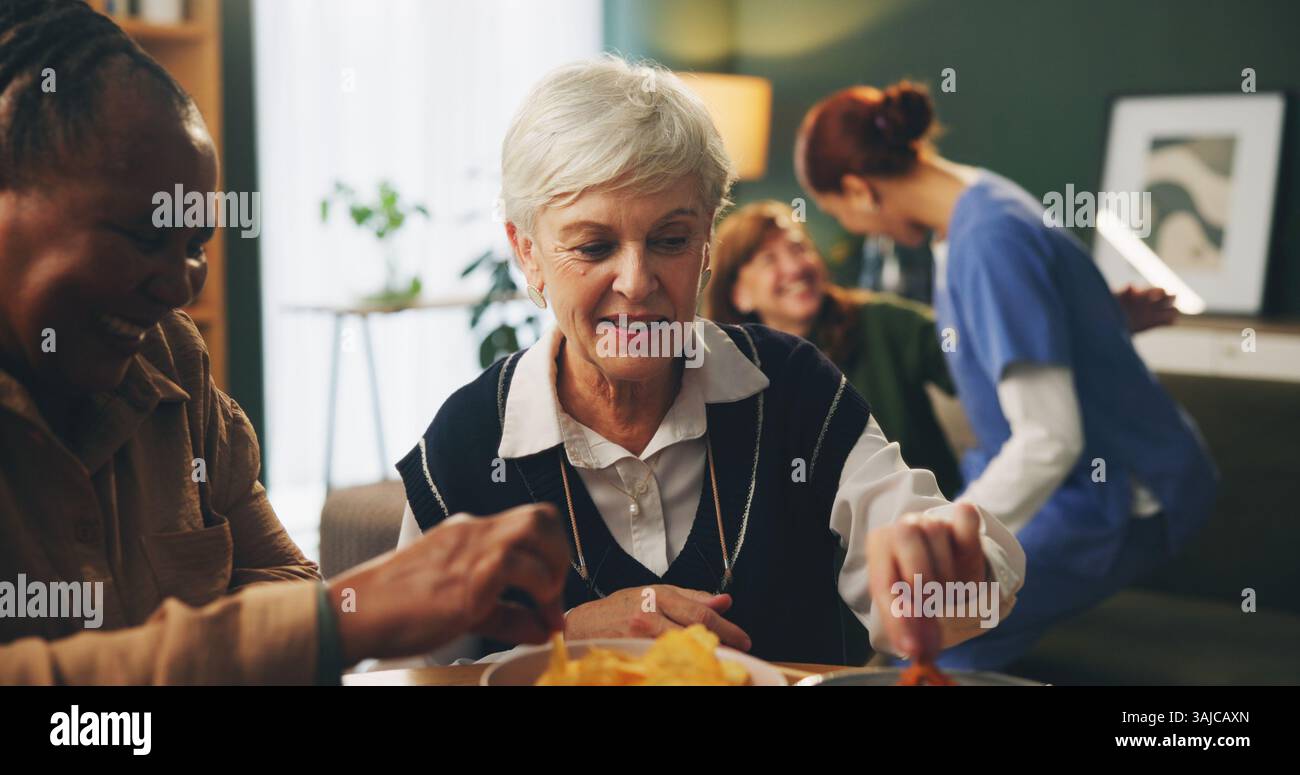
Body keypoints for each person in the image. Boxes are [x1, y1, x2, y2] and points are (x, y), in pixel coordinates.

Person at [0, 0, 570, 685]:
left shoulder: (171, 361)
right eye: (145, 238)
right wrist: (341, 618)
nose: (180, 287)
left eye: (196, 246)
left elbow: (280, 576)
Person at [396, 56, 1026, 667]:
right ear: (526, 251)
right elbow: (408, 672)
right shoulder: (466, 444)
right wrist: (558, 641)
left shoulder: (793, 388)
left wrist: (949, 569)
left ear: (706, 246)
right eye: (594, 246)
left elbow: (951, 599)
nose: (637, 282)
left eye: (671, 240)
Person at [794, 80, 1216, 669]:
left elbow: (1050, 438)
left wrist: (946, 535)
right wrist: (1096, 321)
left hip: (1118, 492)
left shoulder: (988, 240)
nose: (865, 233)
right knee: (919, 614)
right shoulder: (976, 206)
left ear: (860, 190)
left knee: (935, 622)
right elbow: (1022, 331)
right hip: (1073, 483)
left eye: (847, 217)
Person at [706, 200, 962, 498]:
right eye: (769, 260)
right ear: (739, 294)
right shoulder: (729, 383)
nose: (794, 267)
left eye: (799, 248)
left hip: (924, 522)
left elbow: (975, 359)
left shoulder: (880, 321)